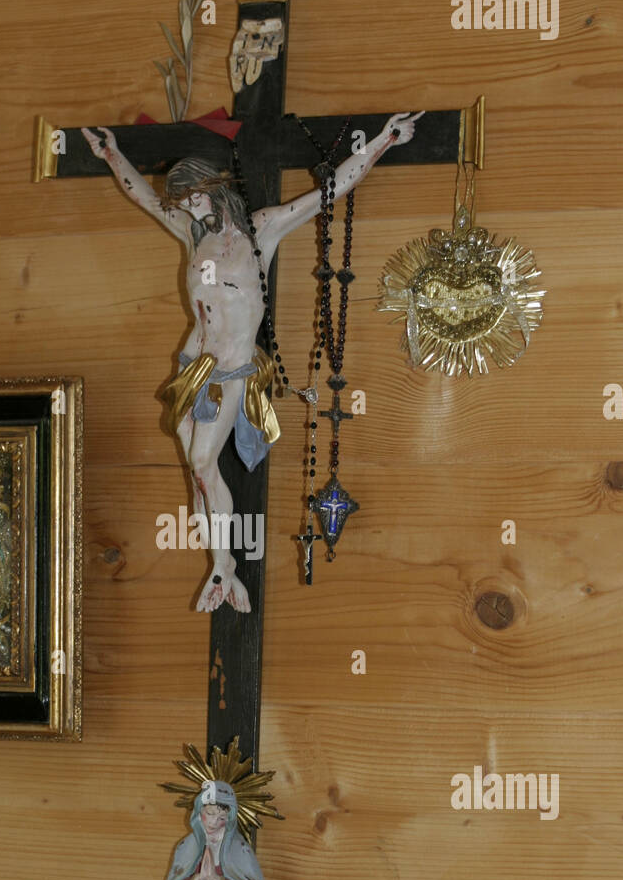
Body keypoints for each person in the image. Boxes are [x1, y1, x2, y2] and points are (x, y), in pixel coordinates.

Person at [82, 112, 423, 611]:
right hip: (191, 364)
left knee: (203, 463)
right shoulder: (190, 232)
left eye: (193, 196)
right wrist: (112, 155)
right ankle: (221, 566)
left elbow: (331, 191)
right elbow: (146, 198)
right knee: (196, 473)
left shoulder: (259, 231)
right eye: (183, 202)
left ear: (213, 187)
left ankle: (225, 568)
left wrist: (384, 141)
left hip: (232, 369)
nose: (188, 207)